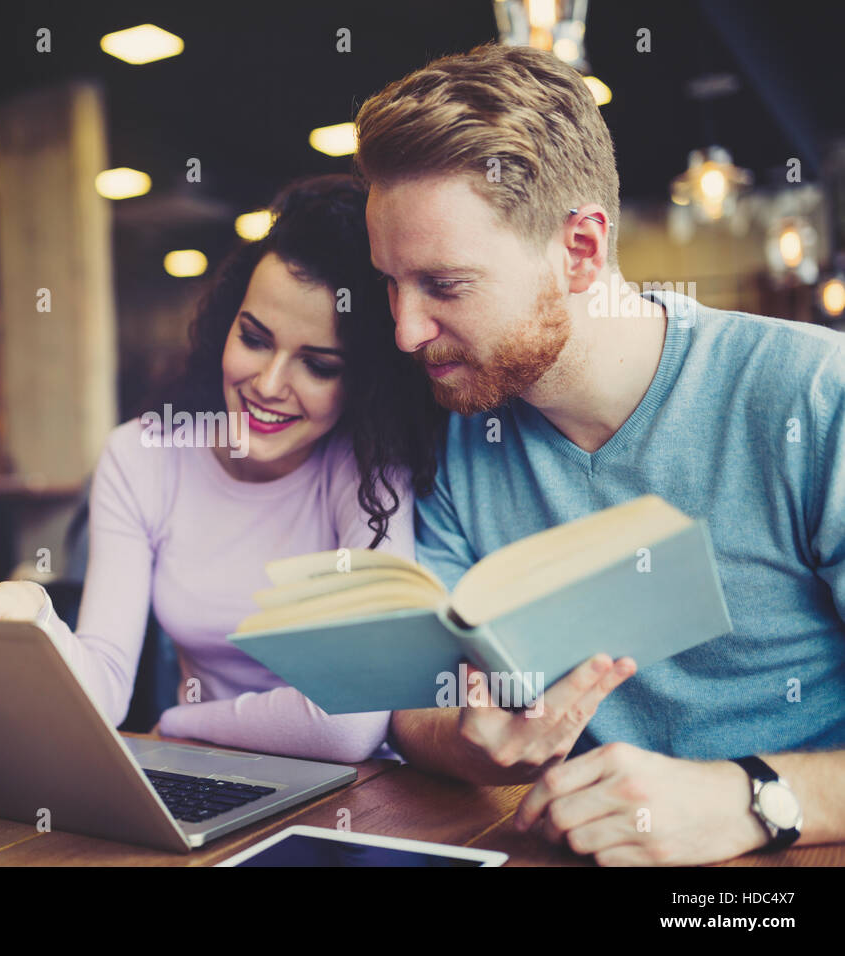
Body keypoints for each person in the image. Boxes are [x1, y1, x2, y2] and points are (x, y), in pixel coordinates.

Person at [355, 42, 845, 864]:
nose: (405, 330)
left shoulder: (809, 392)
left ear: (580, 250)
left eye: (445, 286)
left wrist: (753, 798)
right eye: (389, 285)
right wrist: (475, 743)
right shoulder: (458, 426)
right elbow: (415, 710)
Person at [0, 174, 444, 762]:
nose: (270, 385)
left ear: (363, 383)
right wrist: (35, 612)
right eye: (254, 339)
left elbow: (350, 725)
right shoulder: (140, 458)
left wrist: (182, 721)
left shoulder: (369, 470)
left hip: (356, 793)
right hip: (204, 774)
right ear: (227, 323)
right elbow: (102, 689)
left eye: (319, 366)